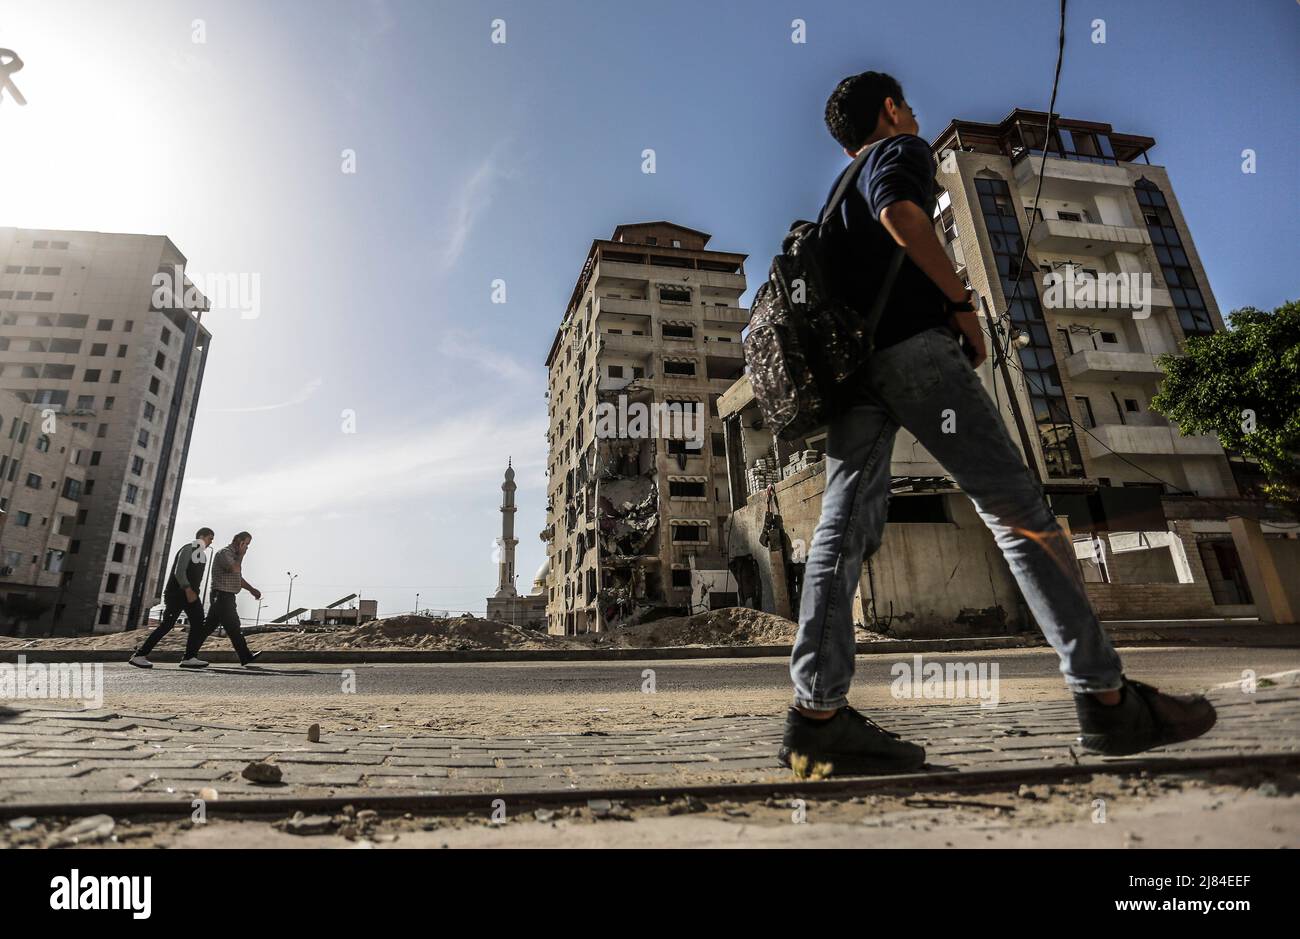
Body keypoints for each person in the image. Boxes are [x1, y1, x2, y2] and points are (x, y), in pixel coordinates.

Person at [779, 72, 1217, 777]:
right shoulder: (902, 151)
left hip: (854, 375)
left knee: (840, 528)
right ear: (890, 110)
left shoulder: (834, 201)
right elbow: (905, 216)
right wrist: (960, 304)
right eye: (907, 103)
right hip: (917, 354)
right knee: (1018, 511)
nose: (913, 112)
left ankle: (816, 716)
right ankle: (1106, 699)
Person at [128, 527, 215, 668]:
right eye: (210, 538)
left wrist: (193, 592)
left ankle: (189, 657)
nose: (211, 542)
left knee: (198, 622)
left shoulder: (202, 556)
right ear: (201, 537)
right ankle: (139, 655)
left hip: (191, 595)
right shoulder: (188, 549)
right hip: (177, 594)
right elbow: (179, 572)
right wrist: (187, 589)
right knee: (167, 625)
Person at [184, 531, 263, 668]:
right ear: (240, 542)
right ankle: (245, 656)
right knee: (234, 627)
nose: (247, 548)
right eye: (246, 544)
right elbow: (234, 569)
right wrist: (242, 555)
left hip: (227, 596)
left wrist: (251, 590)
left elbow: (238, 578)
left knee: (209, 628)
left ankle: (189, 656)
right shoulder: (225, 553)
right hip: (221, 596)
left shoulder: (234, 556)